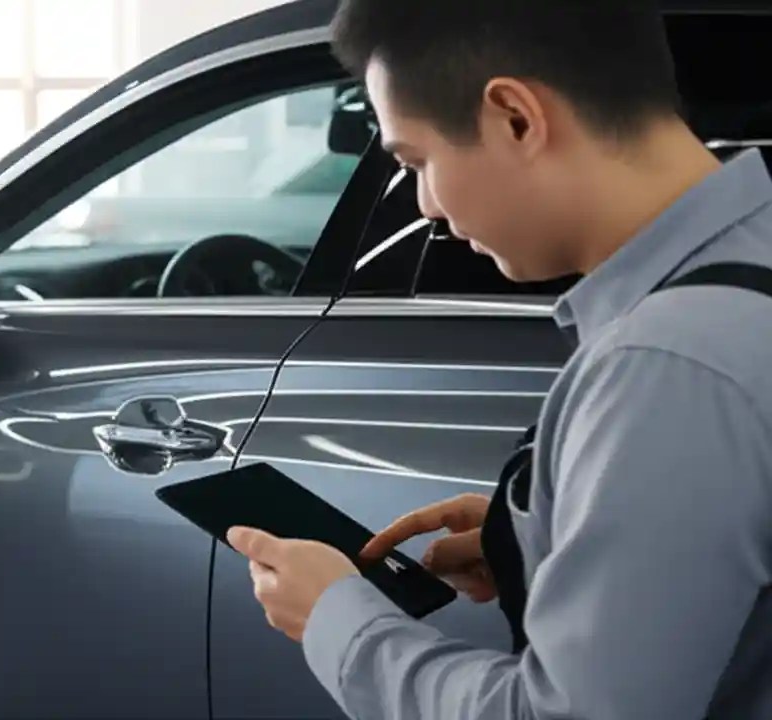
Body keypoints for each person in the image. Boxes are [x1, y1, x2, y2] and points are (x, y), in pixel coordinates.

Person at [225, 1, 772, 718]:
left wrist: (339, 623)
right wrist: (541, 533)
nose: (425, 207)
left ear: (515, 116)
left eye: (416, 161)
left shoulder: (669, 365)